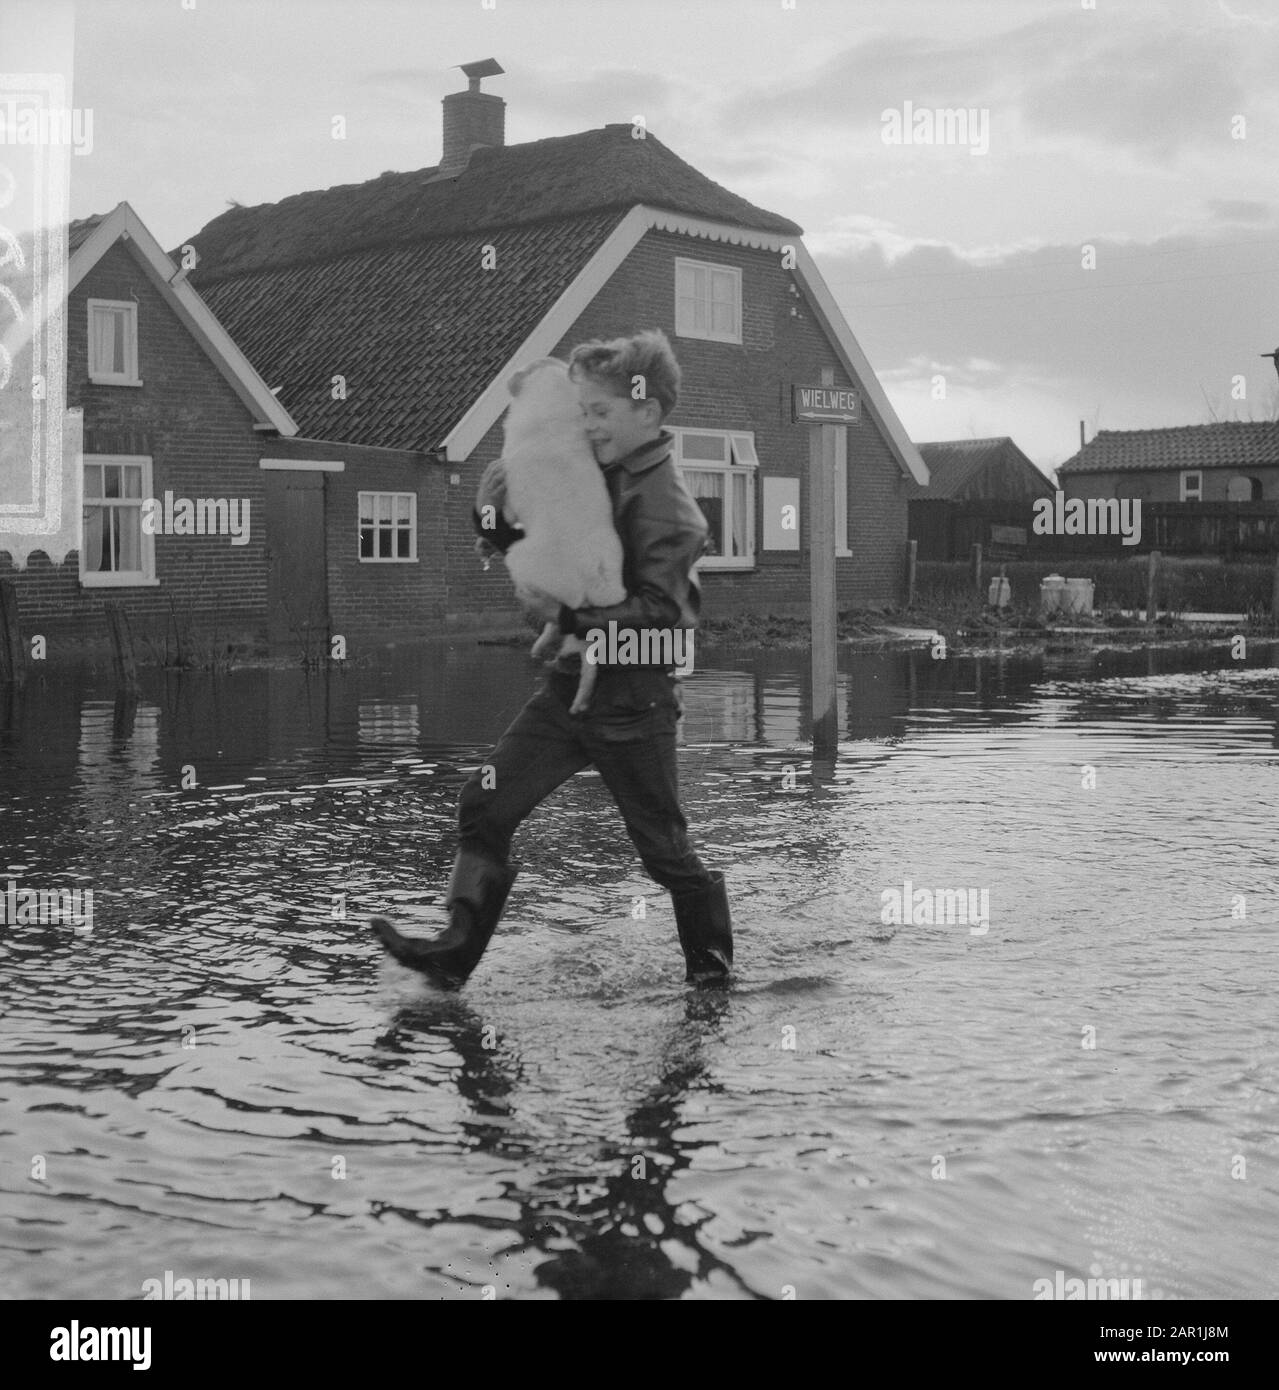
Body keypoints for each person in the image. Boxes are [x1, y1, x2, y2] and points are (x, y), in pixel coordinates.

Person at [371, 328, 733, 988]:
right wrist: (493, 518)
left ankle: (711, 981)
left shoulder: (672, 512)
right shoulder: (593, 472)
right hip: (568, 691)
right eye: (582, 412)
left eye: (600, 413)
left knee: (665, 855)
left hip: (634, 705)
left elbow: (662, 616)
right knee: (484, 804)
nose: (587, 425)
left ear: (647, 413)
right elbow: (530, 532)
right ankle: (454, 956)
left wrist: (569, 617)